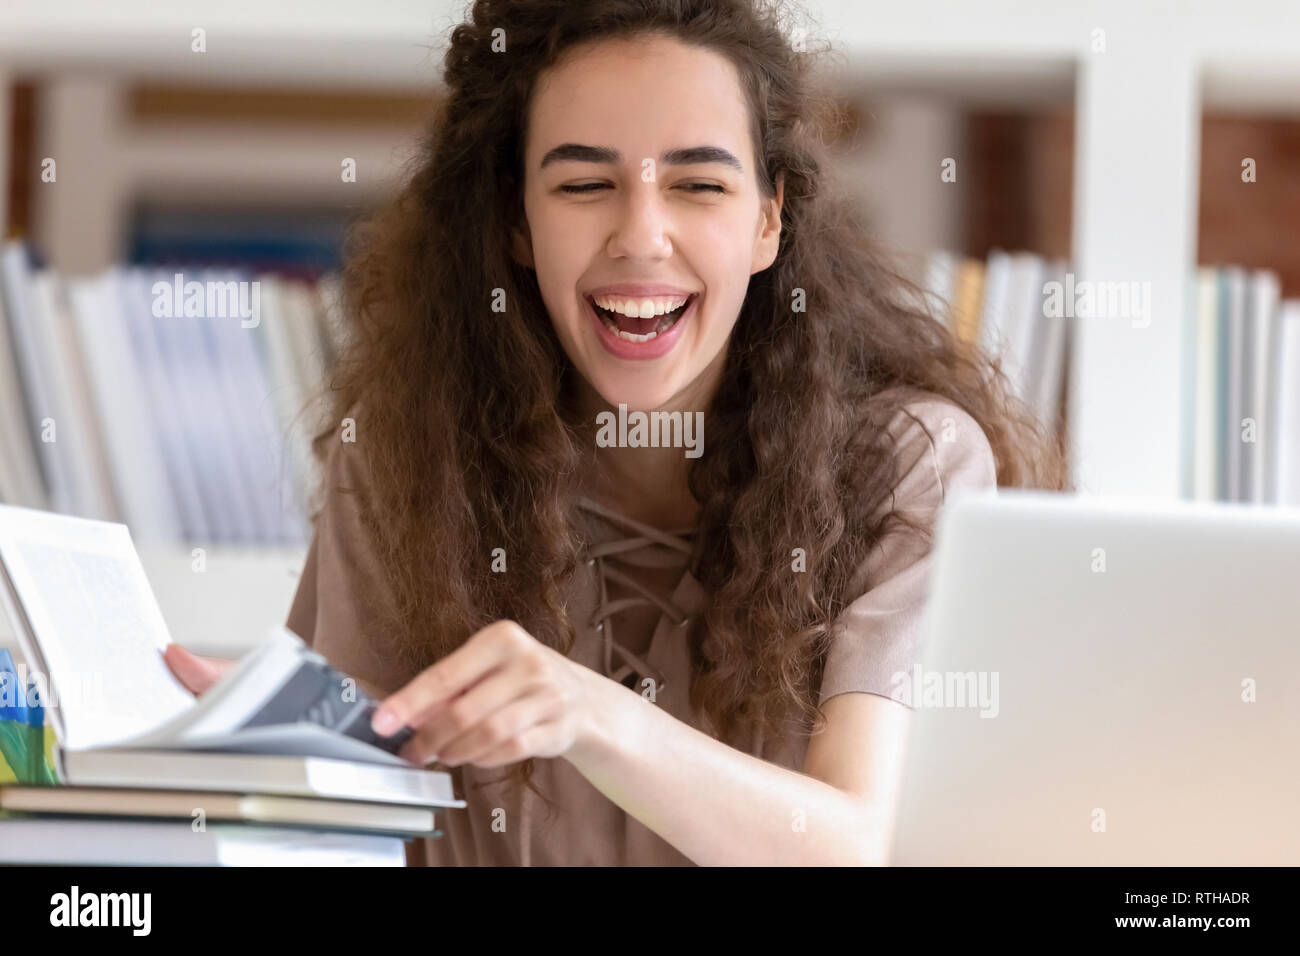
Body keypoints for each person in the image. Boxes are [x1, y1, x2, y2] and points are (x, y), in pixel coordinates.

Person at [165, 0, 1070, 865]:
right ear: (519, 221)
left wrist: (590, 714)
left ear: (769, 218)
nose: (641, 235)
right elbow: (345, 824)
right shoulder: (405, 457)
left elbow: (851, 846)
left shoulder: (908, 464)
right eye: (585, 183)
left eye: (699, 184)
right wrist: (253, 759)